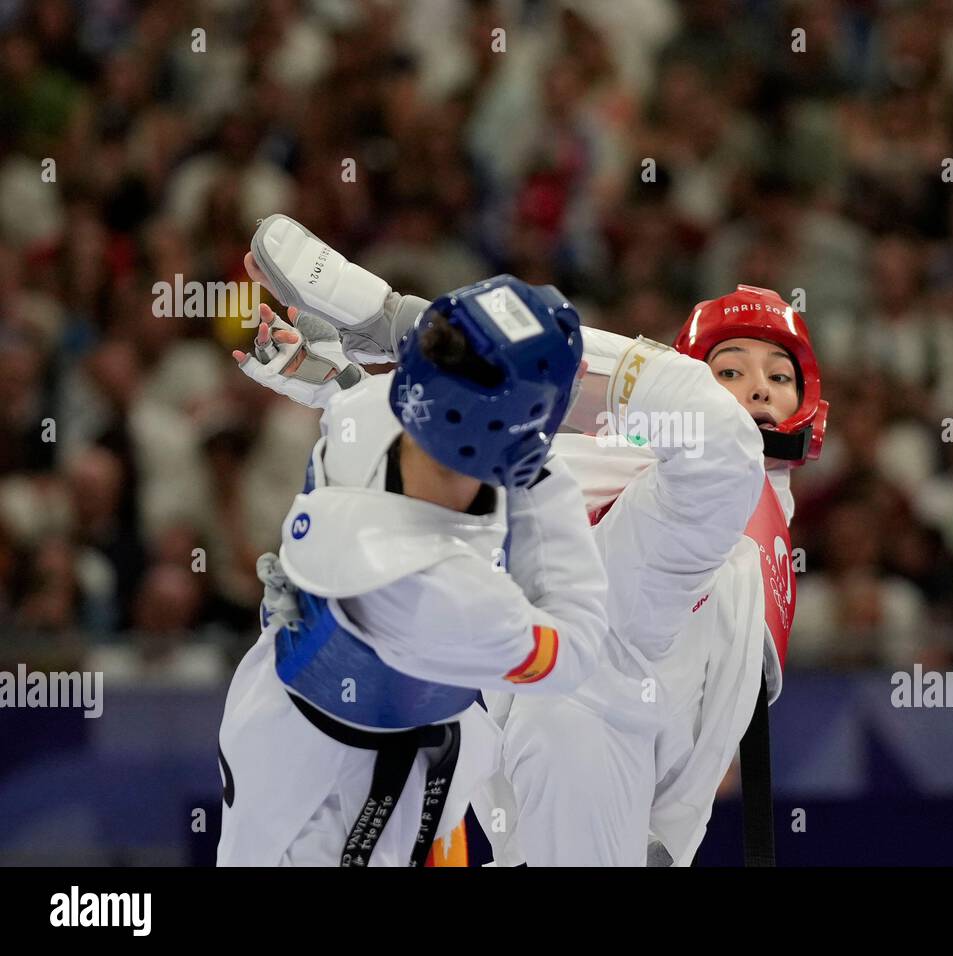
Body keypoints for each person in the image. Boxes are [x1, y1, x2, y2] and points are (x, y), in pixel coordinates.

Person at [241, 216, 828, 865]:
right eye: (731, 369)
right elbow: (508, 459)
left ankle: (419, 338)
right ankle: (415, 328)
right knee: (704, 449)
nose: (758, 386)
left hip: (612, 731)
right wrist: (354, 393)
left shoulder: (758, 520)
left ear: (810, 404)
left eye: (780, 376)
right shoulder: (654, 461)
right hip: (573, 689)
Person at [215, 273, 610, 866]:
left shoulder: (367, 408)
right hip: (352, 798)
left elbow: (365, 399)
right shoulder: (446, 590)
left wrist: (338, 376)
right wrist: (539, 465)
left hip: (286, 719)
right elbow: (574, 650)